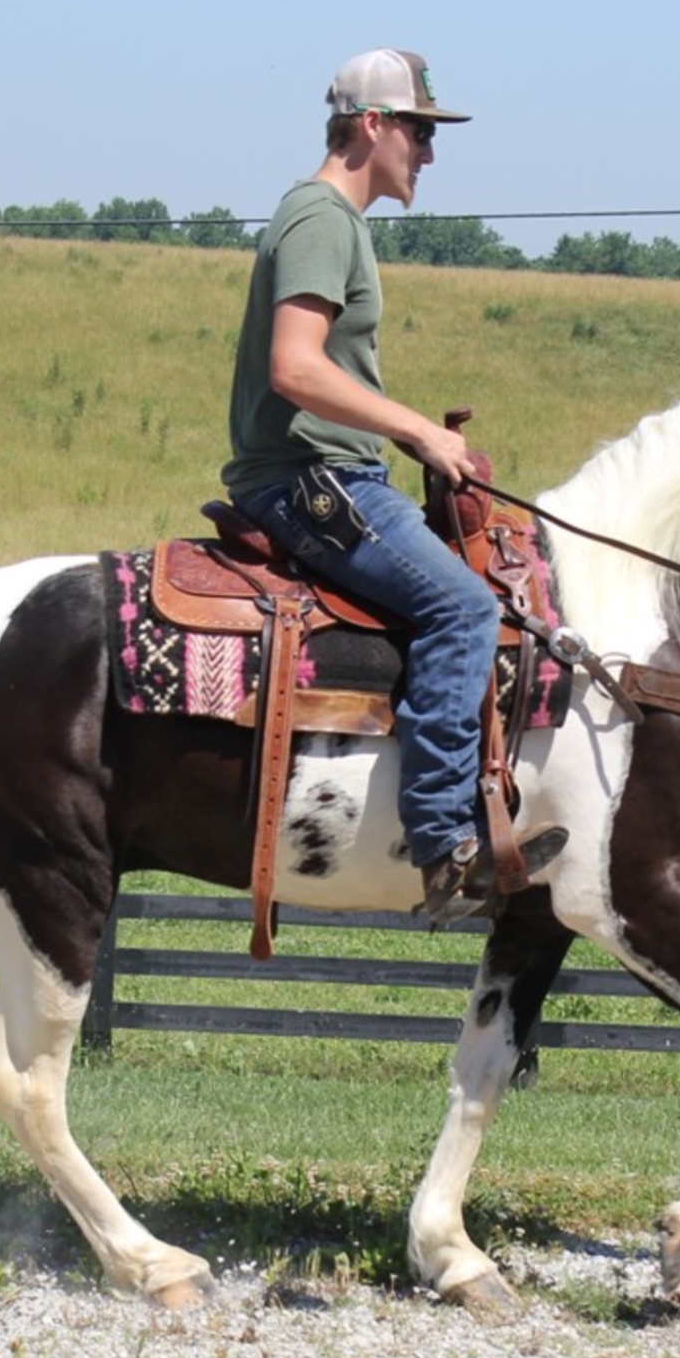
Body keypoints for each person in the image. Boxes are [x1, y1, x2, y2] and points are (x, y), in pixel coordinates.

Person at [221, 47, 504, 922]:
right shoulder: (321, 219)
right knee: (466, 610)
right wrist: (415, 427)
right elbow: (295, 368)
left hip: (334, 470)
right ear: (372, 125)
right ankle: (444, 841)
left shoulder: (335, 222)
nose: (429, 152)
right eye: (419, 130)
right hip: (311, 481)